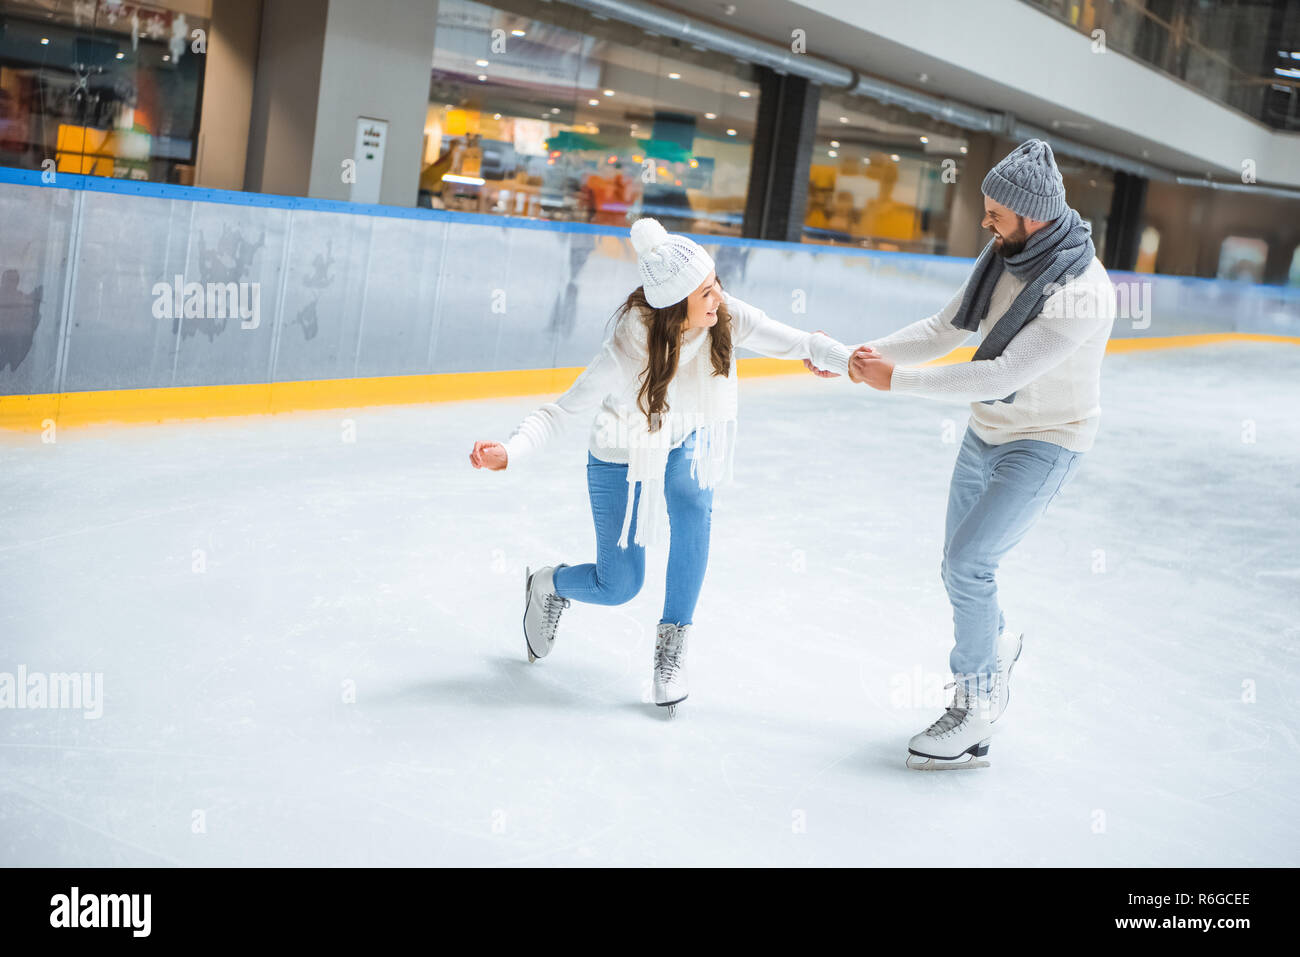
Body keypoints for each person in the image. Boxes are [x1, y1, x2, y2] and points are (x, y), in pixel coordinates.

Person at [470, 217, 851, 714]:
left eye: (715, 286)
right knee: (619, 586)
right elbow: (561, 411)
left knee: (692, 492)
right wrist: (510, 451)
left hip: (683, 438)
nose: (717, 299)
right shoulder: (627, 351)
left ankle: (672, 648)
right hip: (618, 456)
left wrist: (852, 360)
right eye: (705, 294)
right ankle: (547, 584)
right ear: (676, 307)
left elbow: (798, 341)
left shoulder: (724, 314)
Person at [831, 139, 1116, 768]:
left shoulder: (1081, 290)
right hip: (984, 432)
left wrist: (895, 383)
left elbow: (998, 372)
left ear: (1034, 214)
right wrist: (863, 356)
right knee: (958, 566)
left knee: (968, 566)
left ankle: (976, 707)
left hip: (1046, 440)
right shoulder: (1002, 255)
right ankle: (995, 648)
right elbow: (945, 327)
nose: (986, 223)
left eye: (996, 214)